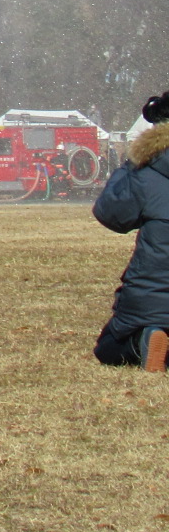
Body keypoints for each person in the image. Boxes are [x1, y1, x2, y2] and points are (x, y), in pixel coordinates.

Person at [93, 91, 169, 369]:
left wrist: (133, 162)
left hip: (153, 299)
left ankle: (143, 342)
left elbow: (111, 214)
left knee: (110, 348)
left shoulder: (149, 171)